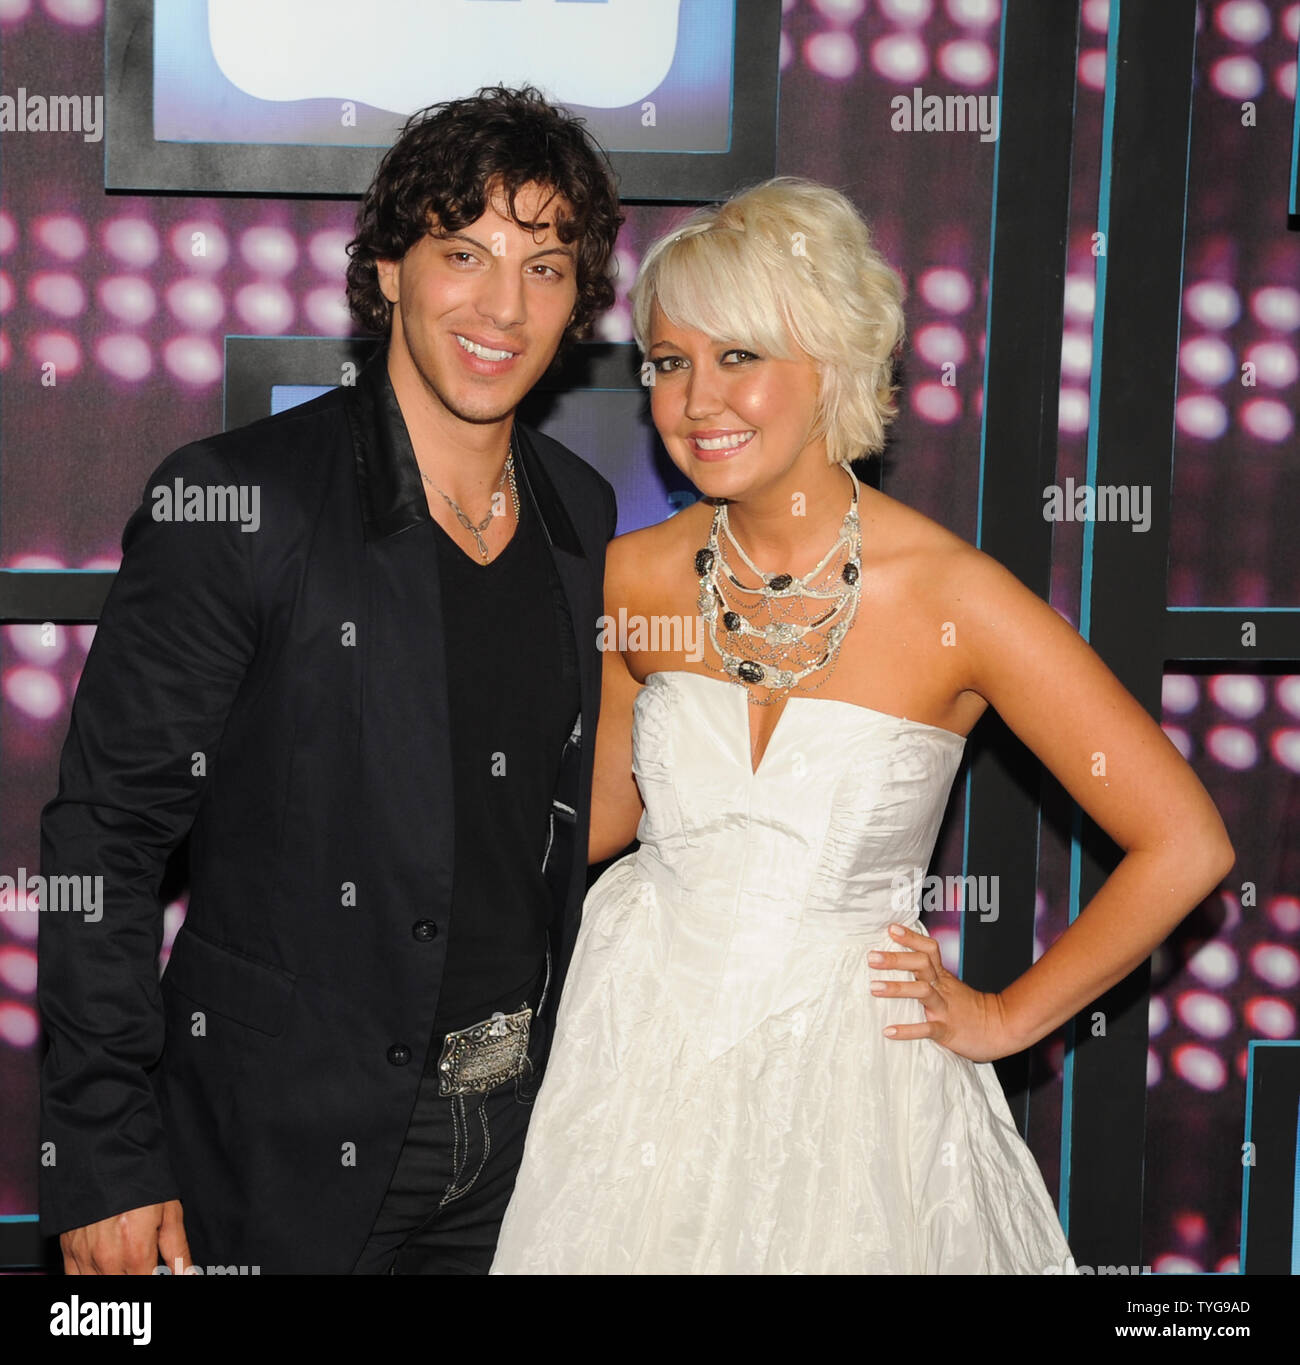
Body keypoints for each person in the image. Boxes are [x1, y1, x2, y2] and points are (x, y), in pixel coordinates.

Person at [490, 176, 1236, 1274]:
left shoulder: (953, 596)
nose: (697, 400)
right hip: (632, 1065)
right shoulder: (630, 577)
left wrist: (1003, 1017)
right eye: (669, 363)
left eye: (739, 357)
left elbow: (1186, 844)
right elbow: (587, 821)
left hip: (850, 1082)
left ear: (831, 363)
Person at [37, 85, 623, 1275]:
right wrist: (103, 1151)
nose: (503, 306)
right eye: (463, 252)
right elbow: (105, 841)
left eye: (545, 267)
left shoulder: (584, 511)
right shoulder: (242, 500)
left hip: (526, 1143)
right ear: (390, 271)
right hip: (287, 1139)